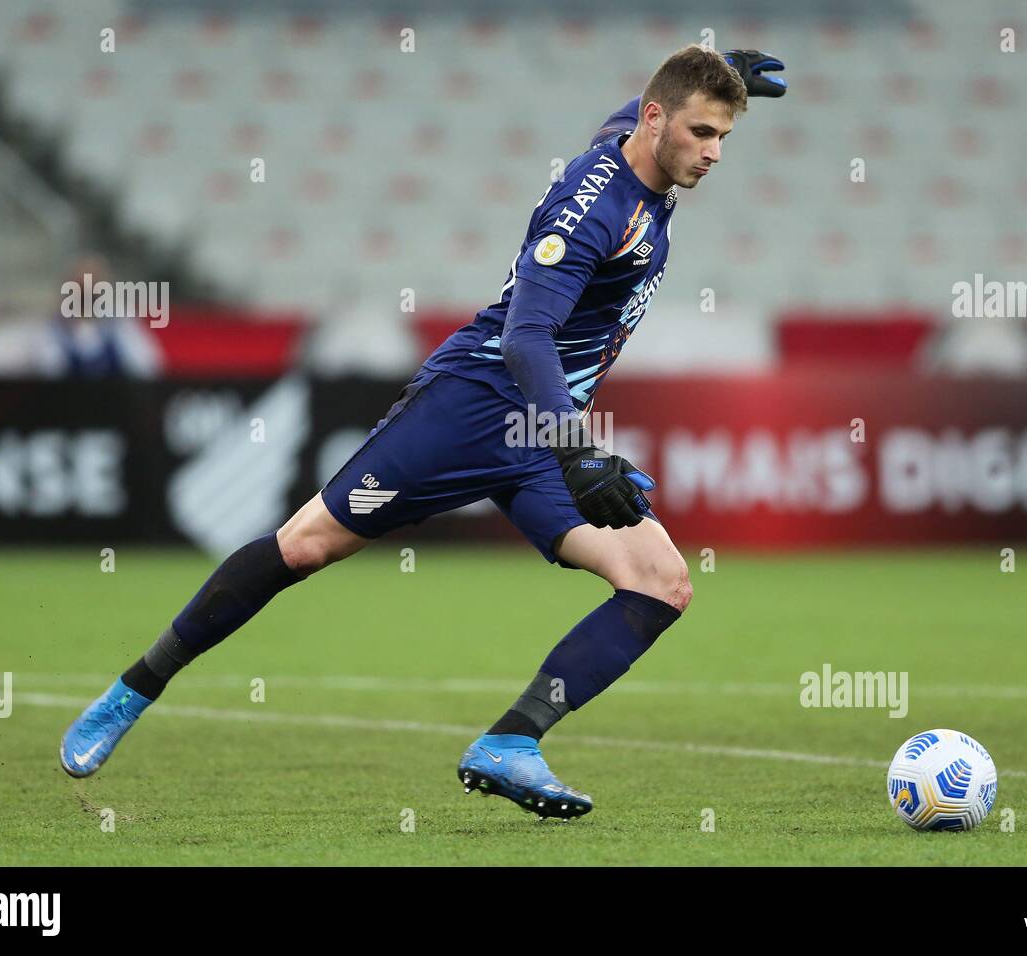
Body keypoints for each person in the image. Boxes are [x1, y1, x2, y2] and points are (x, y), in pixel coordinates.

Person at [60, 45, 786, 820]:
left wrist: (722, 67)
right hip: (474, 407)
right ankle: (133, 690)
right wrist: (578, 451)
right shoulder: (595, 209)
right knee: (304, 546)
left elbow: (629, 118)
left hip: (539, 431)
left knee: (661, 583)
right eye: (703, 133)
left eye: (723, 138)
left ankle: (512, 743)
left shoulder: (640, 152)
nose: (712, 154)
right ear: (656, 120)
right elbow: (526, 338)